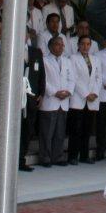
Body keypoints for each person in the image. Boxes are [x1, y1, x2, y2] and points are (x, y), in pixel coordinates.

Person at [39, 35, 74, 167]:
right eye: (58, 44)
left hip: (63, 101)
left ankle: (58, 156)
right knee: (47, 132)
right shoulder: (44, 60)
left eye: (62, 45)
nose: (61, 47)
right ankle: (45, 158)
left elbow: (72, 79)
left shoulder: (67, 61)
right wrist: (55, 92)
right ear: (50, 46)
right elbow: (43, 80)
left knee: (60, 132)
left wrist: (68, 91)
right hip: (50, 100)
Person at [68, 34, 100, 164]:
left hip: (92, 98)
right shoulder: (73, 58)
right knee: (75, 129)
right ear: (78, 45)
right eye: (83, 44)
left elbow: (99, 77)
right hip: (79, 97)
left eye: (88, 44)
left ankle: (84, 155)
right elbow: (74, 78)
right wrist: (86, 93)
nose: (85, 46)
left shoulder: (95, 59)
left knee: (87, 128)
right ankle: (73, 156)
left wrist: (95, 93)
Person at [19, 28, 45, 172]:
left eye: (24, 33)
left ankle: (21, 159)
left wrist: (41, 93)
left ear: (28, 35)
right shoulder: (9, 48)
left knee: (28, 129)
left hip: (31, 97)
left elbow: (41, 73)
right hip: (14, 98)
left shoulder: (35, 52)